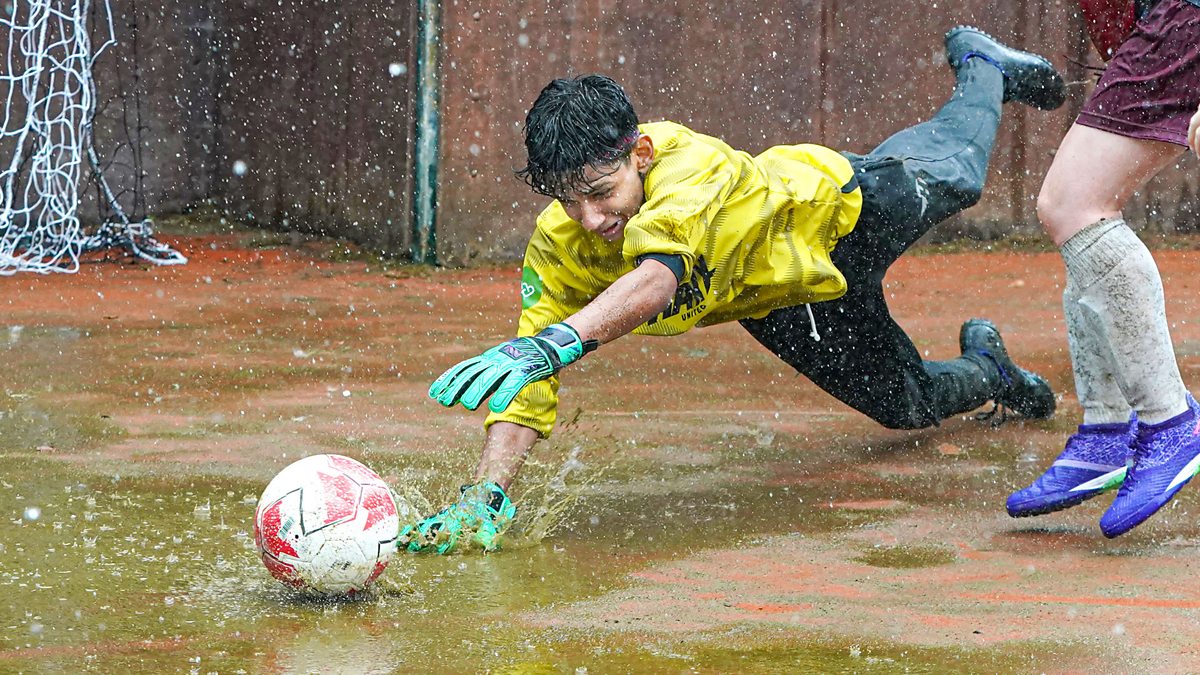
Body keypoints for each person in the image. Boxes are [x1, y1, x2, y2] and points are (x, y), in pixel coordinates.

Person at [404, 27, 1067, 554]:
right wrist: (484, 496)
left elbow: (657, 281)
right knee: (907, 405)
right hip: (786, 304)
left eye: (602, 195)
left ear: (640, 154)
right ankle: (991, 369)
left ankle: (982, 65)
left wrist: (556, 344)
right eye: (569, 202)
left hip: (840, 210)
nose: (591, 221)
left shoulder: (686, 165)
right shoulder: (562, 245)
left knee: (958, 173)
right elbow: (529, 377)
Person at [1007, 0, 1200, 537]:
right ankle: (1109, 430)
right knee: (1079, 213)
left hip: (1182, 22)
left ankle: (1170, 424)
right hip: (1161, 26)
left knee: (1075, 206)